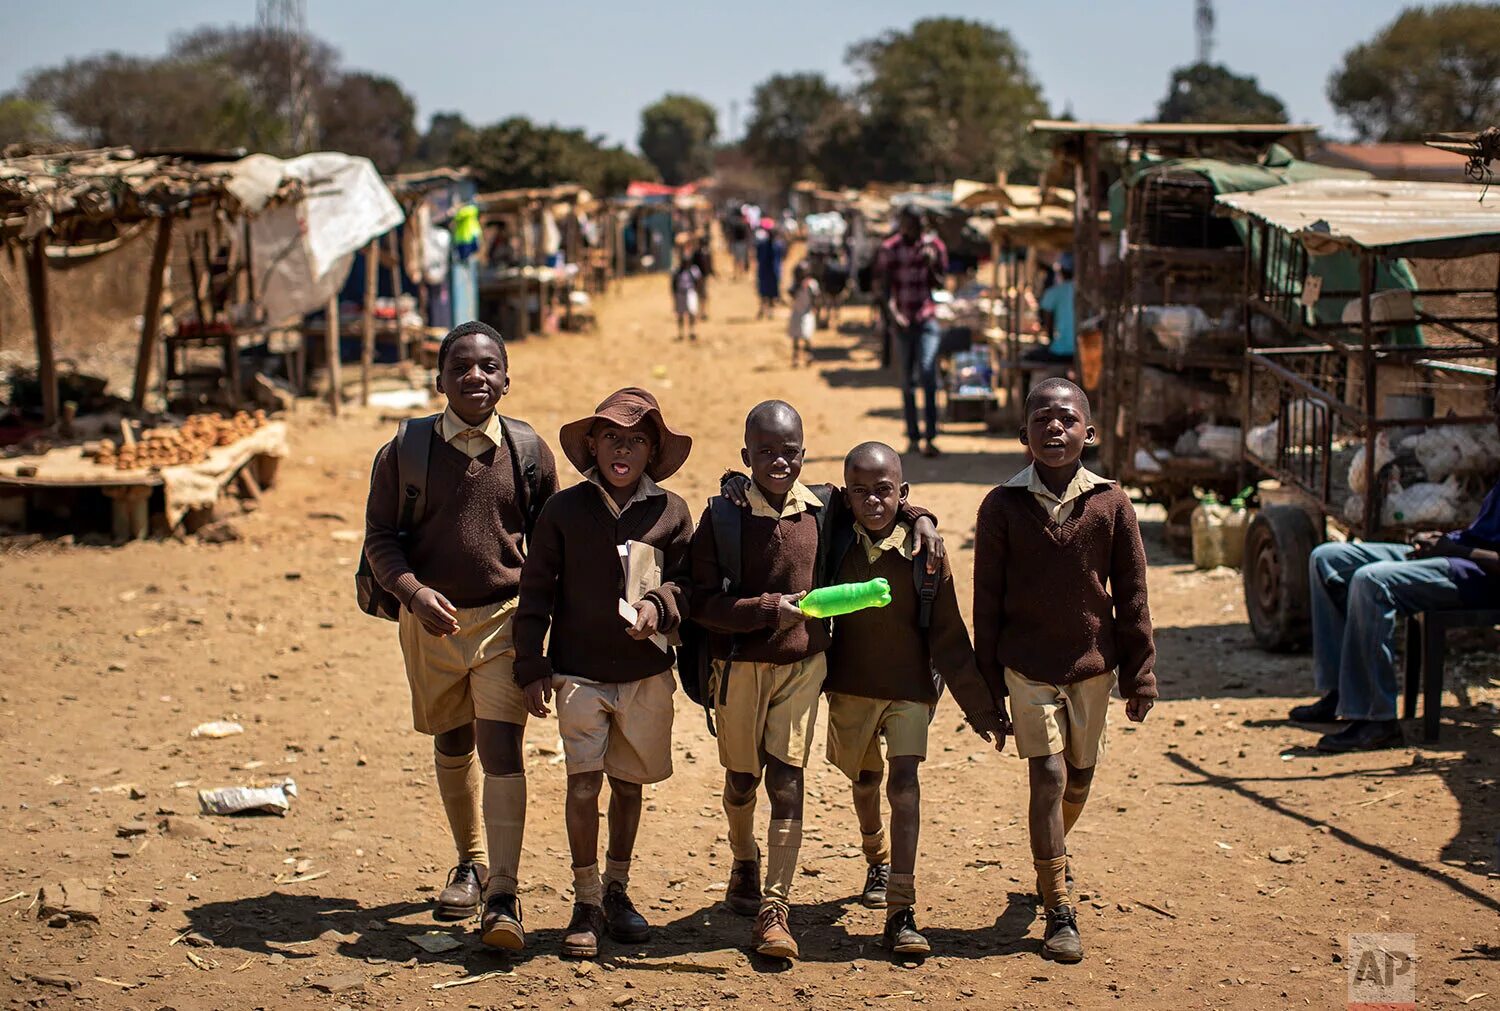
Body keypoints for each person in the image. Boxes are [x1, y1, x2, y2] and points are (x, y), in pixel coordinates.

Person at [689, 401, 941, 960]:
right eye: (764, 454)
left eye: (789, 452)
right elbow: (701, 602)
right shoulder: (721, 515)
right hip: (737, 666)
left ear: (805, 454)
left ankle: (774, 910)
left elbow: (882, 499)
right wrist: (762, 609)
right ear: (745, 456)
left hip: (803, 666)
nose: (779, 463)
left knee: (787, 778)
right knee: (741, 780)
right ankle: (744, 860)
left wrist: (923, 515)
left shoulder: (826, 507)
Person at [363, 321, 560, 950]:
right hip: (430, 624)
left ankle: (503, 893)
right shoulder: (407, 451)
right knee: (452, 738)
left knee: (501, 748)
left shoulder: (528, 453)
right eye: (461, 368)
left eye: (488, 367)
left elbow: (548, 547)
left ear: (507, 377)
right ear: (439, 378)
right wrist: (414, 594)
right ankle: (470, 862)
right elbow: (380, 539)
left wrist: (541, 633)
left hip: (504, 620)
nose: (475, 377)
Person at [971, 378, 1157, 964]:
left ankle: (1051, 853)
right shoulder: (1001, 506)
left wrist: (1140, 673)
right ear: (1022, 434)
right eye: (1041, 419)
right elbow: (987, 601)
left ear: (1089, 432)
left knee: (1079, 777)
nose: (1055, 428)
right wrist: (986, 690)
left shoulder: (1111, 503)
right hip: (1027, 668)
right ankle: (1057, 906)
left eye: (1067, 419)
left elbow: (1132, 593)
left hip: (1092, 668)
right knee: (1047, 776)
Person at [514, 387, 695, 958]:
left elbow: (689, 582)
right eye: (612, 436)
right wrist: (531, 663)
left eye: (637, 440)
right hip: (578, 673)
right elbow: (535, 591)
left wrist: (659, 605)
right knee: (583, 782)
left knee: (628, 782)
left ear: (652, 451)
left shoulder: (670, 512)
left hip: (644, 673)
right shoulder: (564, 511)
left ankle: (618, 889)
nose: (623, 449)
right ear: (591, 444)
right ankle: (585, 899)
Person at [824, 442, 1006, 956]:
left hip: (909, 687)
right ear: (846, 496)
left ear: (901, 494)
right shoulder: (832, 538)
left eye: (885, 491)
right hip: (850, 684)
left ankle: (901, 908)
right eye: (860, 492)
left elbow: (949, 636)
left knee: (904, 783)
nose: (873, 502)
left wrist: (981, 708)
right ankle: (875, 856)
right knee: (865, 780)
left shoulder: (924, 555)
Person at [1290, 385, 1500, 751]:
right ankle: (1341, 695)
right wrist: (1446, 540)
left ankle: (1376, 719)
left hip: (1478, 578)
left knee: (1371, 582)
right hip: (1455, 557)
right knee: (1327, 558)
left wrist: (1455, 547)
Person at [874, 206, 948, 458]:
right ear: (903, 224)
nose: (914, 230)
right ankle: (914, 437)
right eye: (910, 224)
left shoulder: (934, 246)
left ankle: (931, 436)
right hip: (902, 322)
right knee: (907, 381)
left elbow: (940, 283)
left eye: (919, 225)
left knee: (928, 373)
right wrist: (893, 316)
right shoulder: (890, 249)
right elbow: (883, 289)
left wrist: (931, 265)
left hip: (926, 318)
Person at [1033, 255, 1076, 362]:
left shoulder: (1054, 292)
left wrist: (1052, 343)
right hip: (1081, 349)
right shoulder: (1085, 292)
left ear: (1061, 271)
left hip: (1060, 350)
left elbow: (1048, 322)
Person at [786, 261, 819, 368]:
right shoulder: (795, 285)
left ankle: (809, 356)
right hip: (797, 313)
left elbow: (816, 298)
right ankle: (795, 357)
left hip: (807, 314)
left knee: (806, 335)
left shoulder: (812, 284)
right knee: (796, 337)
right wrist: (799, 286)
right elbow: (791, 293)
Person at [755, 220, 785, 320]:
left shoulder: (768, 245)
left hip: (767, 272)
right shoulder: (777, 245)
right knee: (767, 294)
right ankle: (765, 311)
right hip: (770, 272)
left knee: (767, 294)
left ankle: (766, 311)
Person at [671, 252, 702, 342]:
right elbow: (673, 283)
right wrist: (674, 295)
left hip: (690, 292)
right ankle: (681, 333)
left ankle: (692, 331)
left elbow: (699, 281)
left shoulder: (694, 270)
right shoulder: (676, 271)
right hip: (680, 293)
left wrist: (697, 292)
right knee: (680, 314)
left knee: (692, 313)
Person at [692, 232, 715, 321]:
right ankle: (700, 312)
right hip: (699, 277)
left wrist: (712, 273)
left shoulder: (707, 253)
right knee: (699, 295)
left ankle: (704, 312)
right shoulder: (697, 253)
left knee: (704, 295)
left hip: (704, 277)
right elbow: (694, 265)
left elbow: (710, 264)